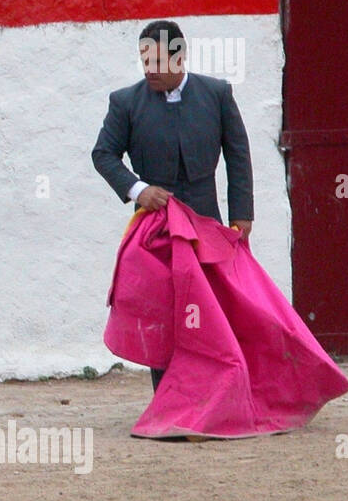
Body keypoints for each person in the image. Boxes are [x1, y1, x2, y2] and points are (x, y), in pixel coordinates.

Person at [92, 20, 253, 389]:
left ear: (179, 58)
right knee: (164, 310)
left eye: (158, 60)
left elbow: (237, 154)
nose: (149, 68)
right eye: (144, 60)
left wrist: (241, 214)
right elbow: (103, 154)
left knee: (210, 307)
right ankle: (169, 396)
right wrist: (137, 189)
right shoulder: (126, 102)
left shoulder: (216, 93)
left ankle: (213, 391)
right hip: (155, 226)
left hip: (205, 222)